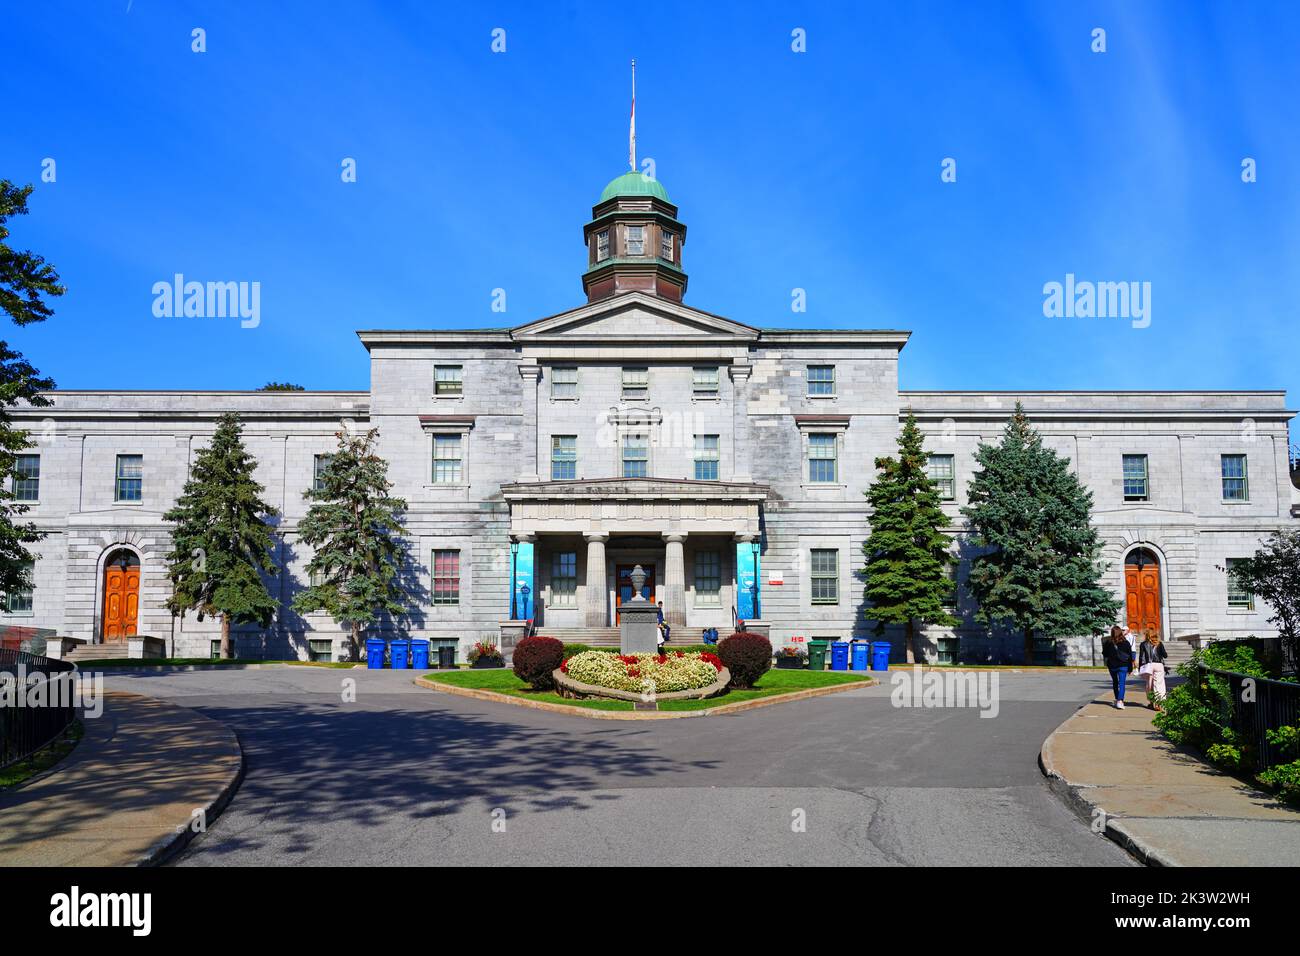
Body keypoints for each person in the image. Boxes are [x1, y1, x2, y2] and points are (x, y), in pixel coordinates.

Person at [1102, 625, 1135, 709]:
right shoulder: (1126, 642)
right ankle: (1120, 701)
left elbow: (1105, 654)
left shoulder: (1108, 642)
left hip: (1112, 665)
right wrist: (1130, 668)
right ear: (1121, 632)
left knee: (1115, 683)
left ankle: (1117, 699)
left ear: (1112, 633)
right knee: (1122, 683)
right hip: (1123, 665)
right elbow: (1130, 656)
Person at [1137, 629, 1169, 711]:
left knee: (1149, 685)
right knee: (1159, 684)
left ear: (1147, 635)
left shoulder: (1143, 644)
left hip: (1149, 666)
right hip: (1159, 665)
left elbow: (1141, 657)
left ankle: (1151, 703)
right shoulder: (1159, 643)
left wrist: (1140, 667)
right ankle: (1159, 704)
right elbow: (1165, 655)